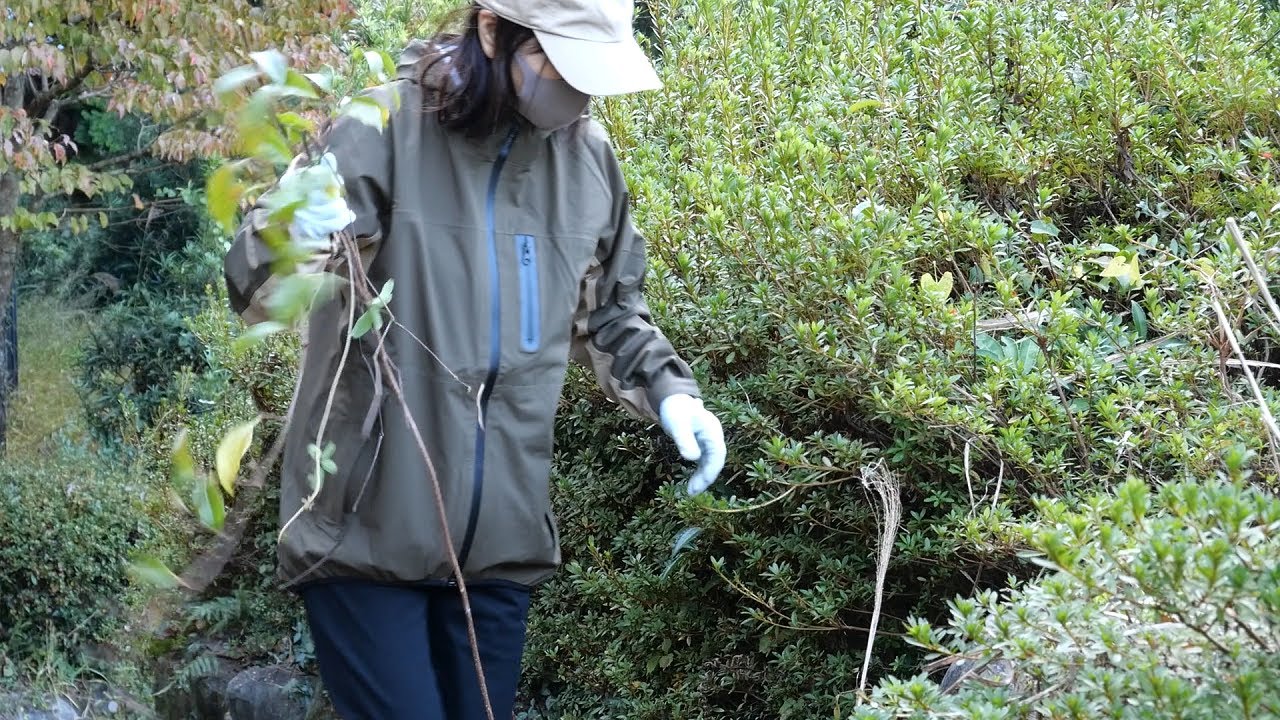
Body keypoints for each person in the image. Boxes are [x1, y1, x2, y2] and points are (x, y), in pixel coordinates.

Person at [222, 0, 727, 717]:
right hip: (365, 530)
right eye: (560, 65)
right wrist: (289, 232)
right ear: (492, 30)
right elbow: (256, 289)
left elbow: (612, 311)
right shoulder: (383, 126)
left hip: (499, 546)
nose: (577, 95)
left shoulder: (588, 164)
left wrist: (675, 395)